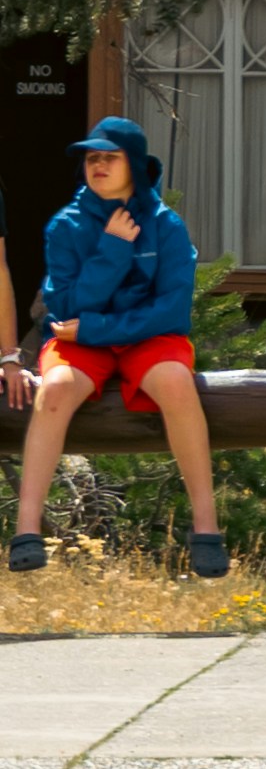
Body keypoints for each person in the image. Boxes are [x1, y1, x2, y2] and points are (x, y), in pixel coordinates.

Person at [7, 118, 231, 585]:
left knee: (175, 383)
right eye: (91, 158)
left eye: (109, 156)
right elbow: (64, 307)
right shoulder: (66, 225)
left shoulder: (167, 226)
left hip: (143, 337)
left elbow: (171, 312)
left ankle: (206, 528)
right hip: (80, 340)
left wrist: (100, 326)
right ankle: (26, 529)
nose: (98, 165)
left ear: (136, 165)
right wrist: (111, 248)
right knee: (55, 389)